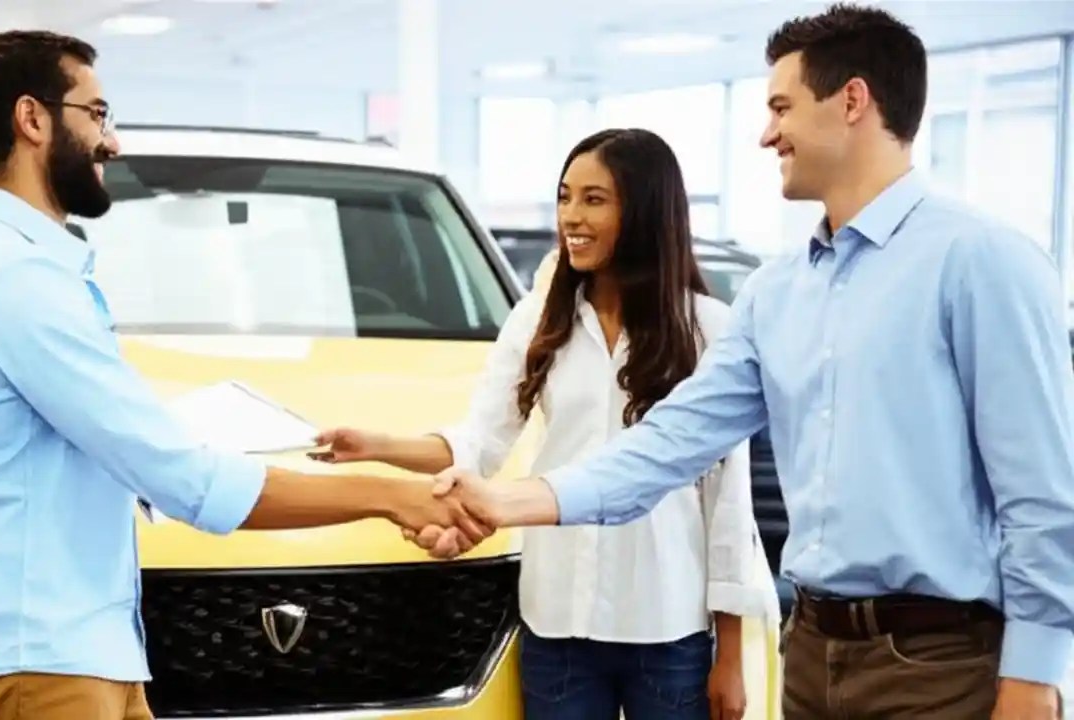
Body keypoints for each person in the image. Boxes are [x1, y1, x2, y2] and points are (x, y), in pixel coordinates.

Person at [410, 4, 1074, 719]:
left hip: (940, 665)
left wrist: (1035, 674)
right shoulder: (777, 292)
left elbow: (1042, 494)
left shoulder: (980, 262)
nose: (766, 133)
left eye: (781, 107)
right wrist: (507, 500)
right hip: (811, 653)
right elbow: (668, 444)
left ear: (853, 100)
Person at [0, 30, 485, 720]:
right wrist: (391, 496)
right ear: (32, 119)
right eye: (97, 113)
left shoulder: (24, 270)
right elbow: (186, 481)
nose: (112, 142)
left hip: (79, 649)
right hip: (41, 660)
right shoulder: (14, 280)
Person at [312, 128, 777, 720]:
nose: (571, 218)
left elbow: (729, 504)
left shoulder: (709, 328)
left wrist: (730, 654)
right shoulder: (539, 318)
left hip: (667, 627)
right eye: (564, 197)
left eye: (594, 199)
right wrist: (377, 445)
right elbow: (477, 443)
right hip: (556, 625)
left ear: (644, 210)